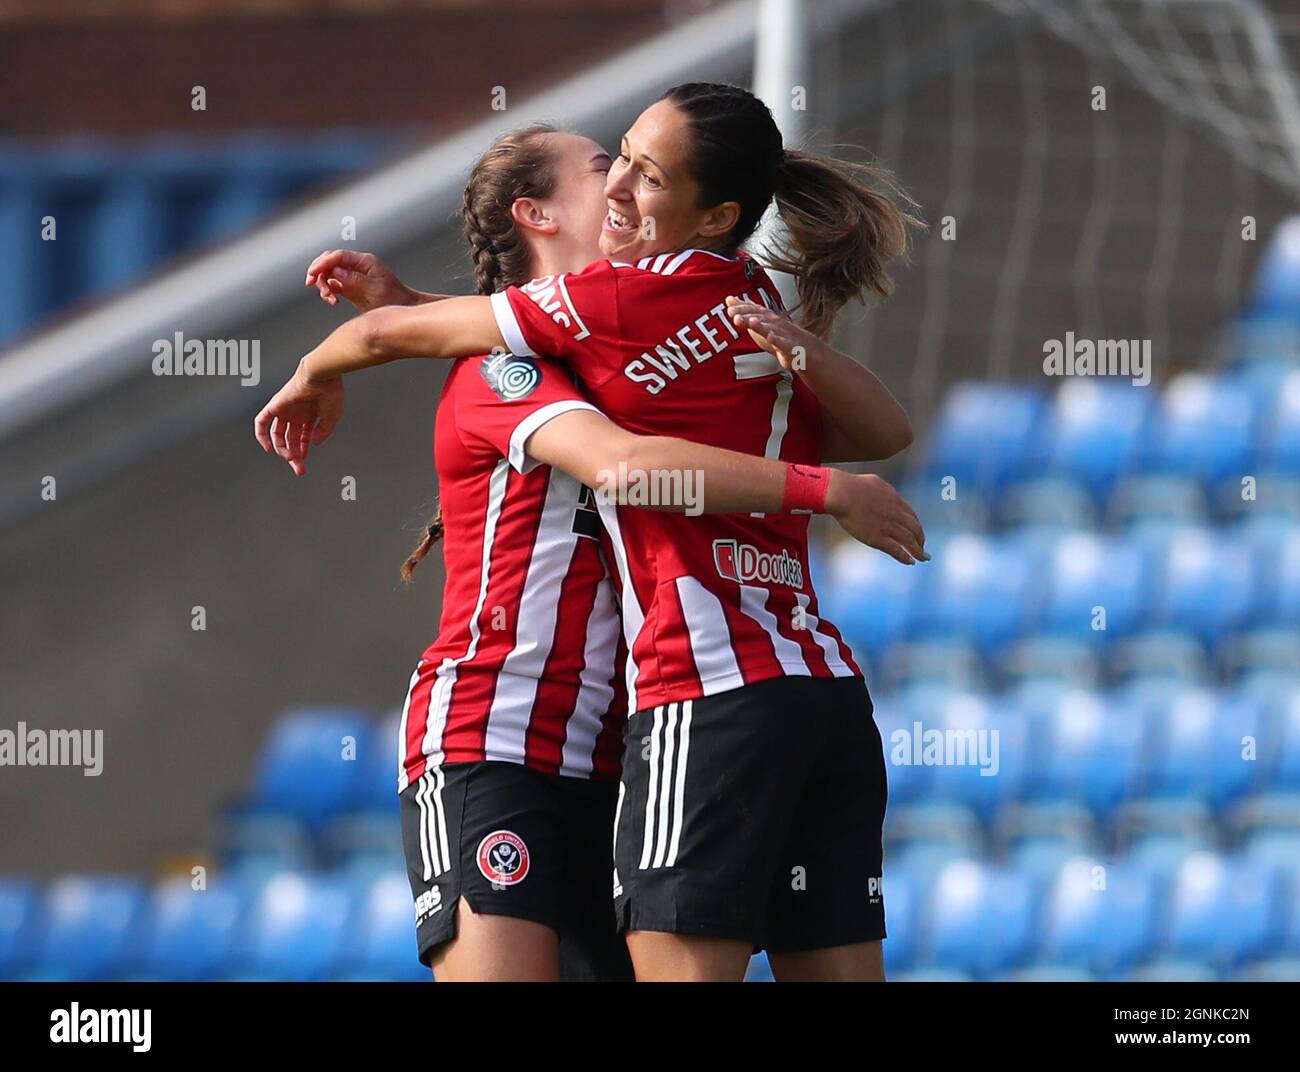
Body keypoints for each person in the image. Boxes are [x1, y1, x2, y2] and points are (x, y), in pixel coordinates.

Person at [266, 119, 926, 981]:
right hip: (497, 743)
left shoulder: (632, 352)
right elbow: (619, 463)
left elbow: (817, 431)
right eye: (602, 168)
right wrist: (325, 365)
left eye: (636, 168)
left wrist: (412, 308)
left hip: (617, 754)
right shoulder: (505, 373)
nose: (623, 184)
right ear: (537, 215)